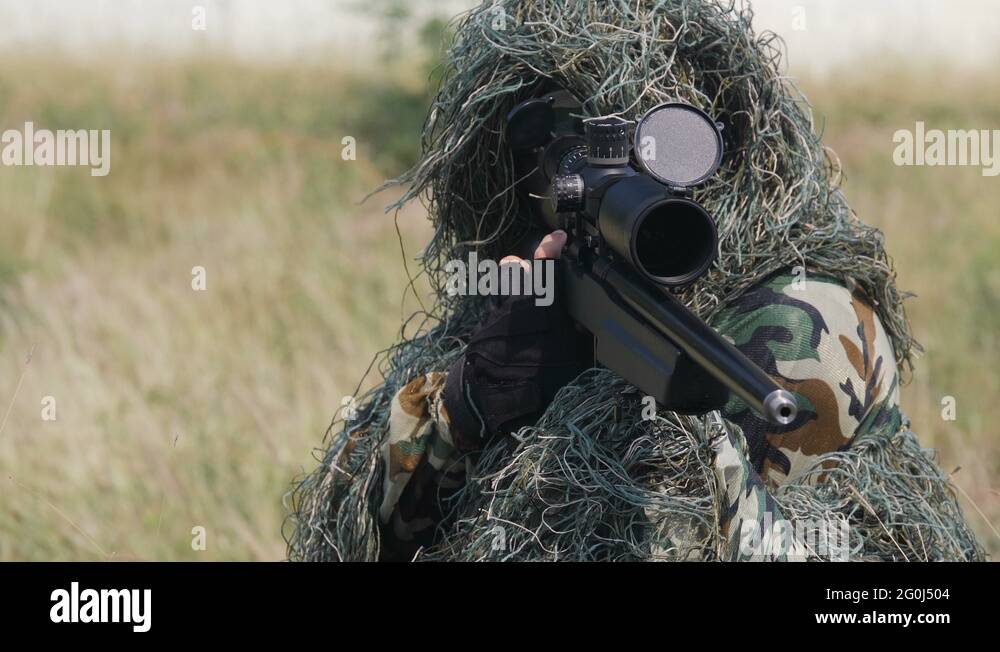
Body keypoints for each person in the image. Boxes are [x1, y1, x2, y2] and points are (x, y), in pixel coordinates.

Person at [286, 0, 982, 562]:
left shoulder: (802, 330)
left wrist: (692, 443)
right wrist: (473, 398)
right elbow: (359, 536)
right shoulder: (524, 288)